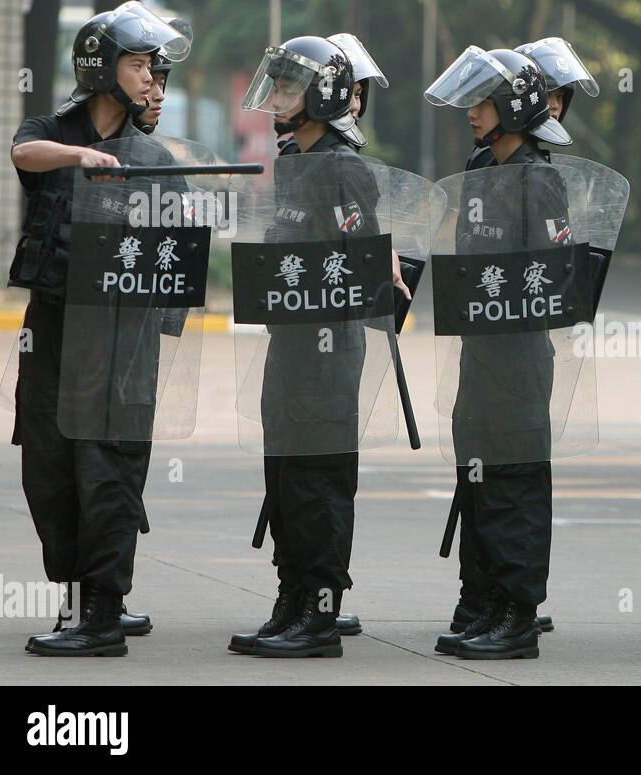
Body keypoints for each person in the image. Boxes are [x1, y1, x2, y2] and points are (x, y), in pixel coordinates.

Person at [13, 2, 190, 656]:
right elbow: (23, 152)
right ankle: (79, 590)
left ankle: (104, 610)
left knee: (106, 461)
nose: (149, 78)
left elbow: (179, 252)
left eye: (153, 67)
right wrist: (80, 155)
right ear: (100, 65)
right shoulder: (53, 130)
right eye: (138, 64)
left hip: (119, 331)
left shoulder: (154, 155)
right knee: (49, 461)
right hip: (54, 322)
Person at [228, 35, 407, 658]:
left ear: (323, 96)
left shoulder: (342, 166)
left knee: (319, 479)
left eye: (287, 88)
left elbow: (362, 262)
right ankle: (292, 596)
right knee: (284, 474)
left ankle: (321, 614)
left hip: (329, 352)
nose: (274, 100)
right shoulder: (295, 160)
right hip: (291, 343)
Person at [424, 46, 575, 659]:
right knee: (480, 475)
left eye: (482, 100)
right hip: (480, 353)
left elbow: (559, 279)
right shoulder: (484, 169)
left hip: (518, 357)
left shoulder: (540, 180)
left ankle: (517, 614)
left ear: (514, 106)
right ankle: (484, 599)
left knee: (515, 478)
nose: (471, 111)